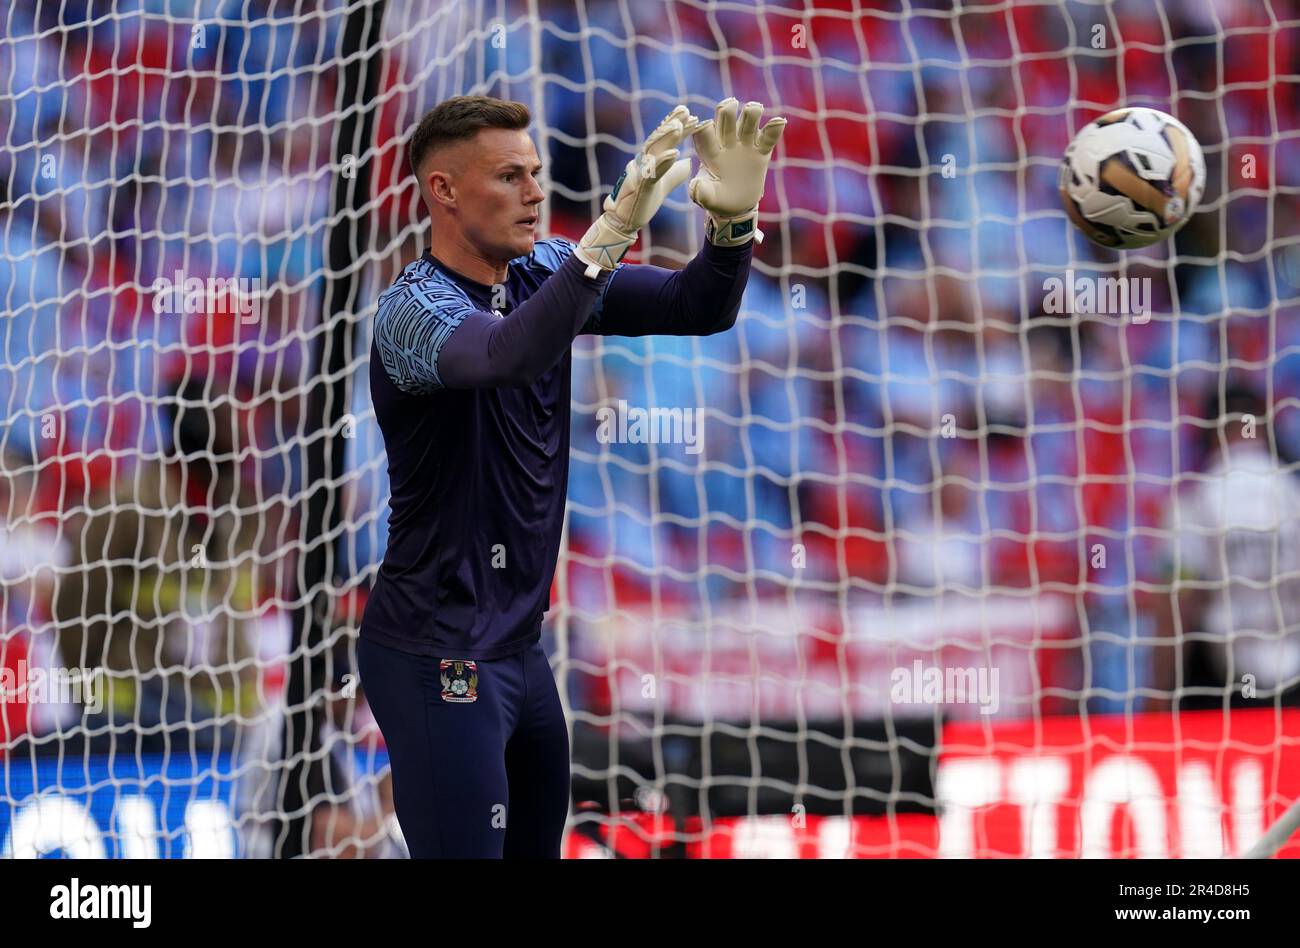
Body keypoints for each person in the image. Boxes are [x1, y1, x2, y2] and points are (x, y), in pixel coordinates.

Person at [358, 94, 785, 857]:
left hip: (522, 651)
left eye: (536, 173)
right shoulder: (410, 309)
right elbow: (502, 356)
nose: (532, 193)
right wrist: (608, 238)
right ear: (444, 192)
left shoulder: (550, 267)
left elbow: (698, 307)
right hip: (435, 651)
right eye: (508, 176)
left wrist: (731, 229)